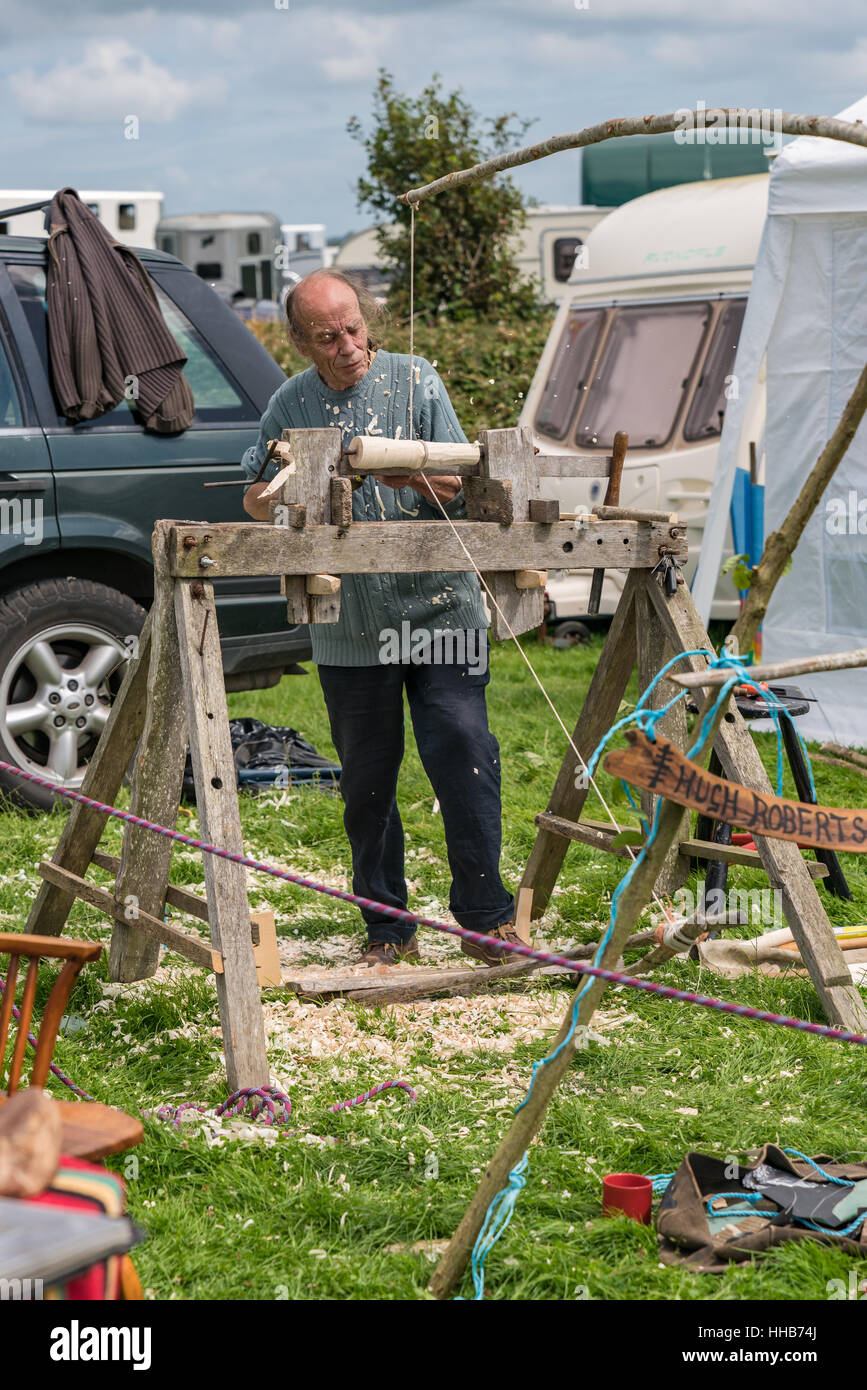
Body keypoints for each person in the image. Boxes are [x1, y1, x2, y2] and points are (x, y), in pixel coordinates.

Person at [242, 269, 518, 967]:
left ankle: (488, 921)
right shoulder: (288, 404)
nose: (348, 346)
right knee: (366, 778)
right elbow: (252, 490)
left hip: (440, 606)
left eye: (355, 329)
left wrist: (415, 475)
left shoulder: (415, 379)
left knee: (464, 750)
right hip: (348, 624)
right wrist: (279, 493)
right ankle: (386, 926)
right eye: (329, 337)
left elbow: (464, 479)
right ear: (302, 341)